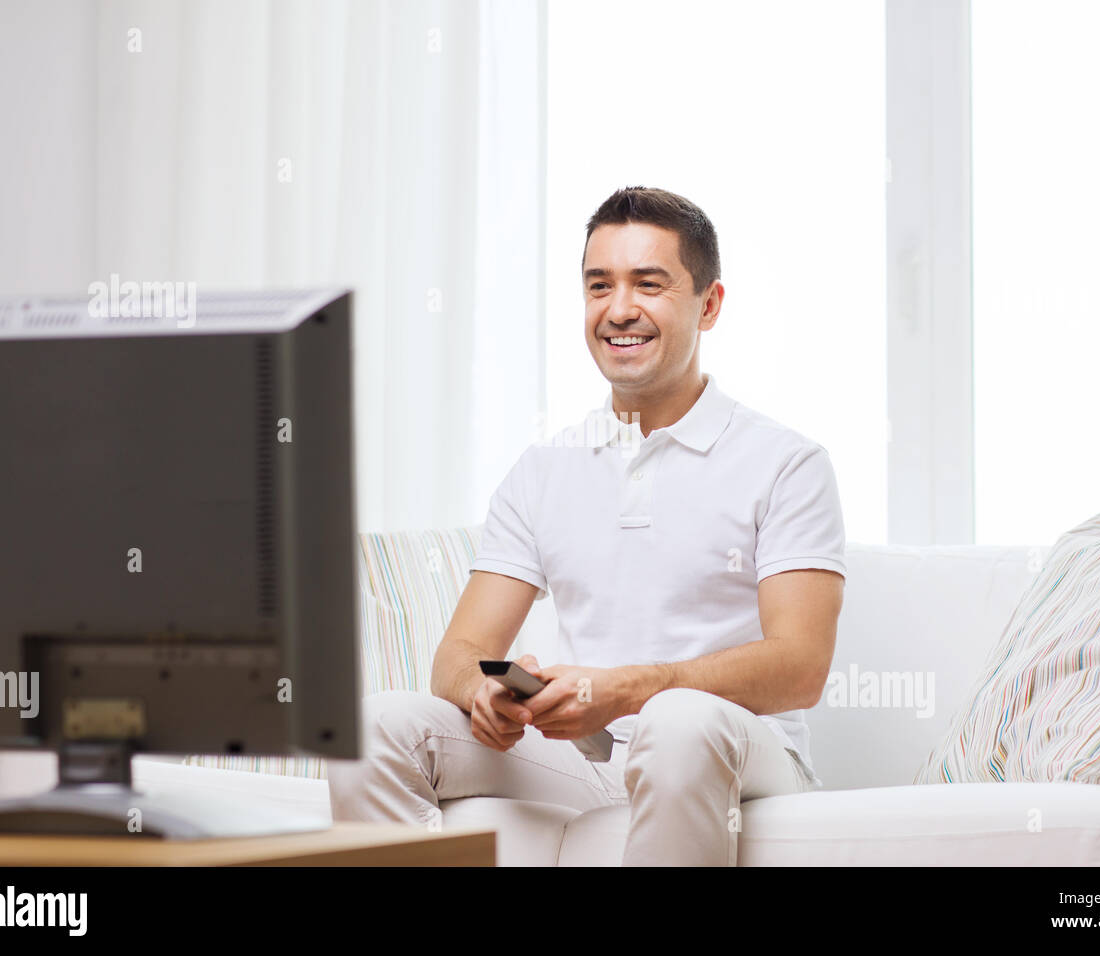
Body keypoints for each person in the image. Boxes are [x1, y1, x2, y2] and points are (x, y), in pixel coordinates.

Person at [328, 186, 846, 866]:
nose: (619, 308)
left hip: (745, 753)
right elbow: (457, 653)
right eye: (599, 285)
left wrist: (627, 689)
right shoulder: (545, 470)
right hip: (597, 760)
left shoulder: (785, 463)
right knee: (372, 729)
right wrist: (483, 689)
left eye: (649, 284)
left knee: (678, 718)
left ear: (709, 305)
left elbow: (800, 668)